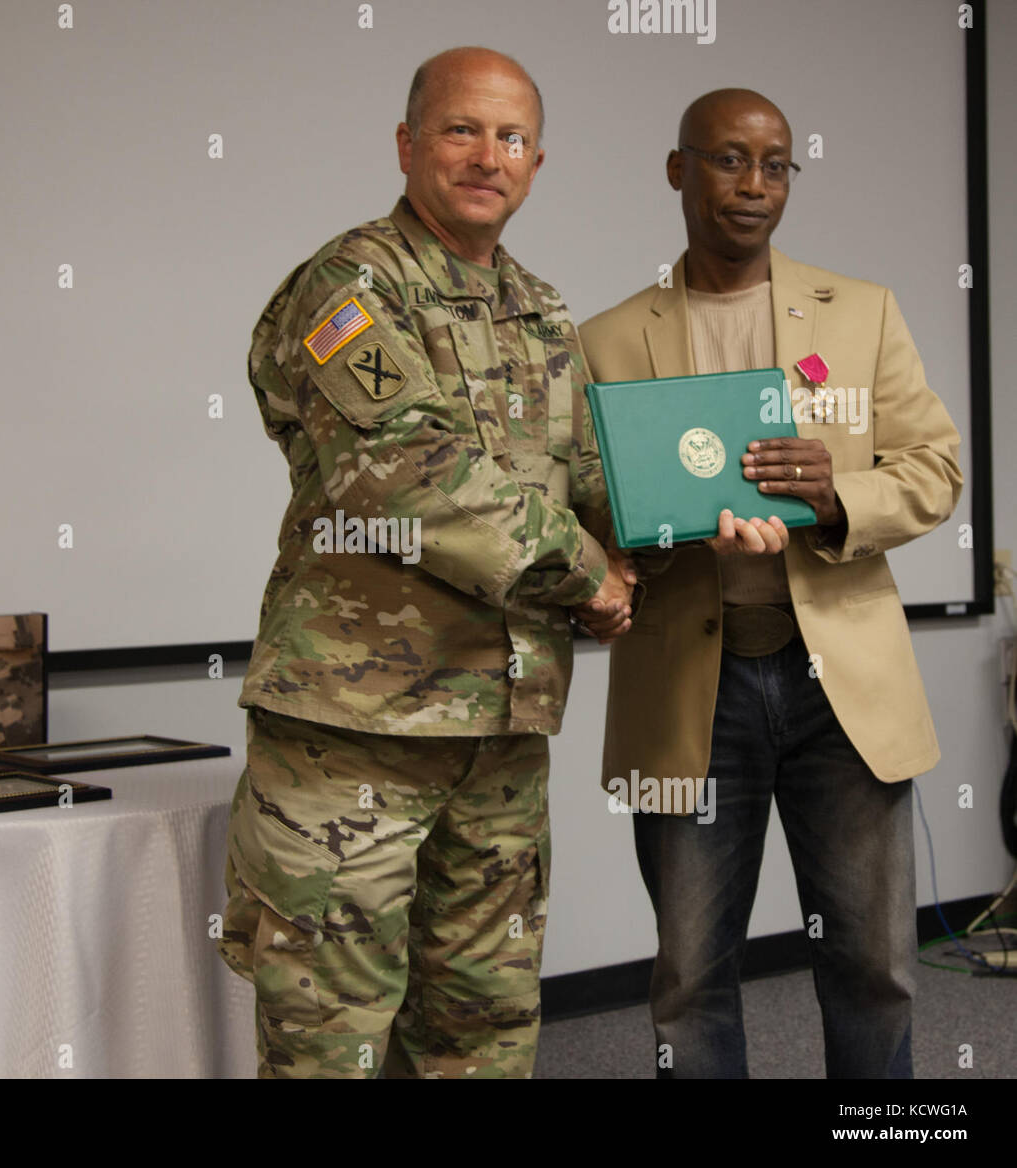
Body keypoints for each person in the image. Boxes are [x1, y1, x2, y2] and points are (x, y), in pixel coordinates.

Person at [216, 46, 633, 1078]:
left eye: (511, 136)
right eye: (461, 129)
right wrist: (590, 579)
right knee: (331, 1045)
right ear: (407, 145)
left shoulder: (539, 311)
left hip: (498, 738)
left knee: (480, 1036)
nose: (487, 155)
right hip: (351, 742)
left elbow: (590, 477)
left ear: (538, 161)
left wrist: (687, 525)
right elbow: (412, 475)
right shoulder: (348, 288)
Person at [577, 88, 963, 1078]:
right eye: (727, 159)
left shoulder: (862, 311)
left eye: (775, 163)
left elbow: (935, 469)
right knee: (690, 979)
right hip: (690, 698)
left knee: (873, 964)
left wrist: (837, 497)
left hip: (840, 687)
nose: (754, 184)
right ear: (677, 170)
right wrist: (641, 542)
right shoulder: (607, 340)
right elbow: (585, 515)